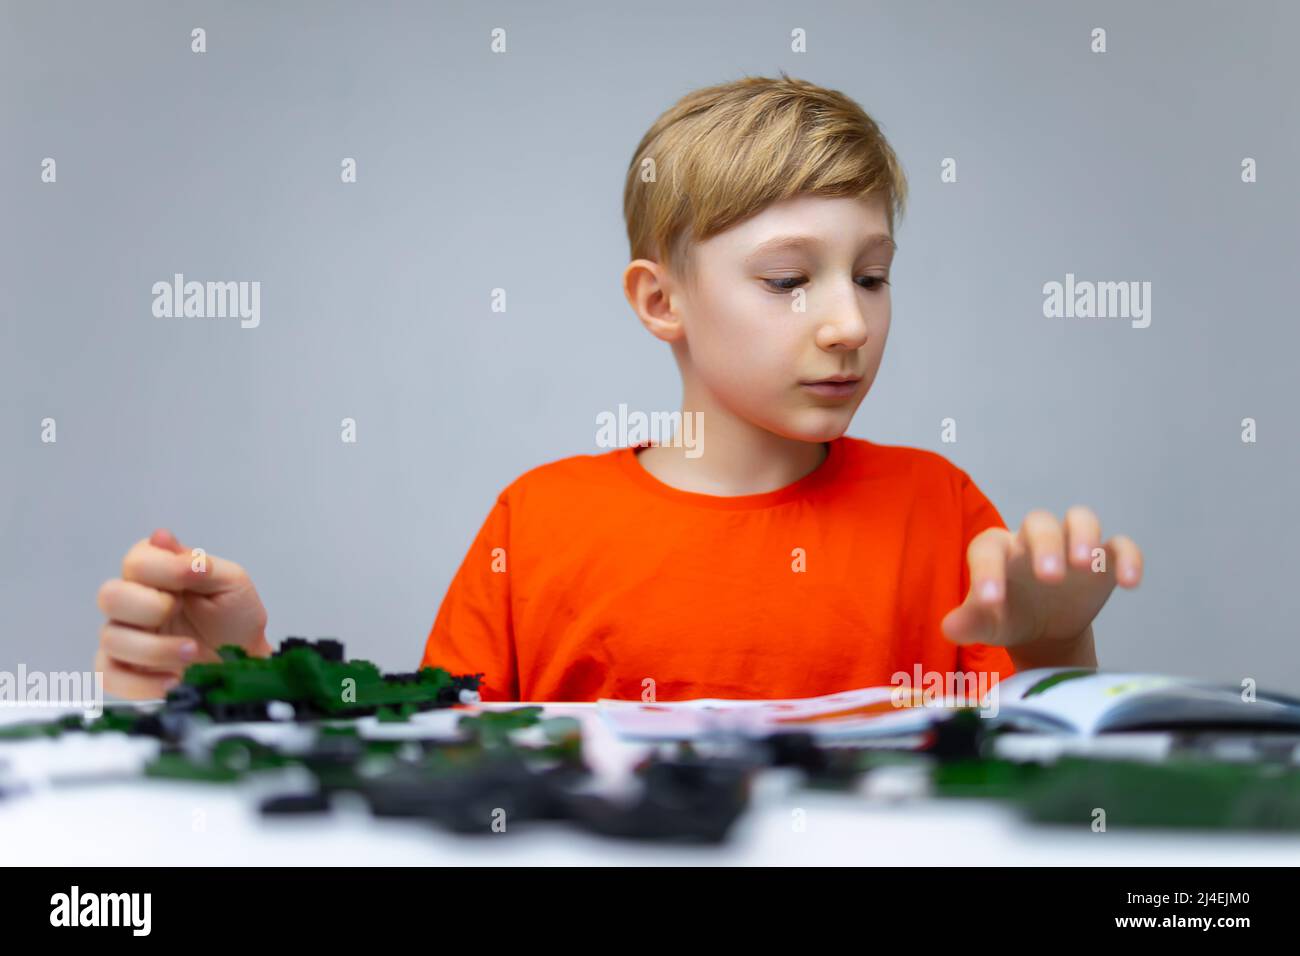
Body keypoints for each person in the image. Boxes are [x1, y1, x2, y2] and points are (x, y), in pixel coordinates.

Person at [94, 74, 1143, 702]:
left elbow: (1045, 793)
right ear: (659, 301)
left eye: (872, 275)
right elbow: (430, 768)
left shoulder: (940, 511)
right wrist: (243, 672)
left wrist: (1054, 642)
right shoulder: (538, 523)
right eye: (789, 281)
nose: (850, 321)